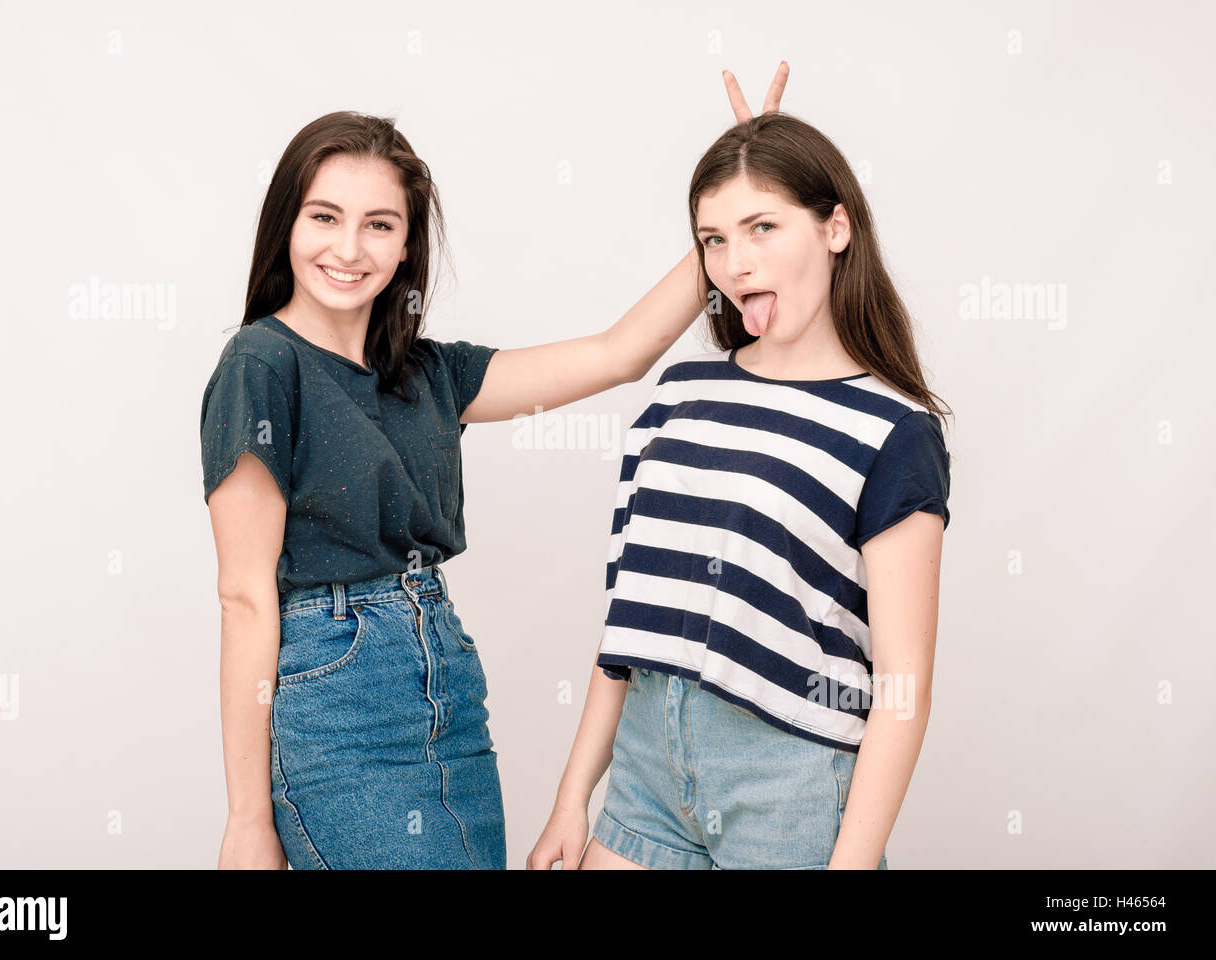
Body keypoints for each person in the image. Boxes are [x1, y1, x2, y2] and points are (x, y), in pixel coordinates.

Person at [199, 63, 787, 869]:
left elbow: (619, 353)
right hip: (335, 701)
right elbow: (244, 598)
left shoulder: (427, 372)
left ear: (407, 244)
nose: (347, 247)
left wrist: (734, 216)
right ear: (286, 225)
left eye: (378, 224)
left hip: (445, 690)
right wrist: (245, 819)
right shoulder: (261, 364)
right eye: (323, 216)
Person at [529, 89, 953, 870]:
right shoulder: (677, 394)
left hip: (789, 790)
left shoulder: (894, 432)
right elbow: (631, 617)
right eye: (714, 239)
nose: (737, 262)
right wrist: (570, 796)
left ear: (836, 227)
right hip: (646, 774)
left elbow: (904, 685)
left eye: (764, 227)